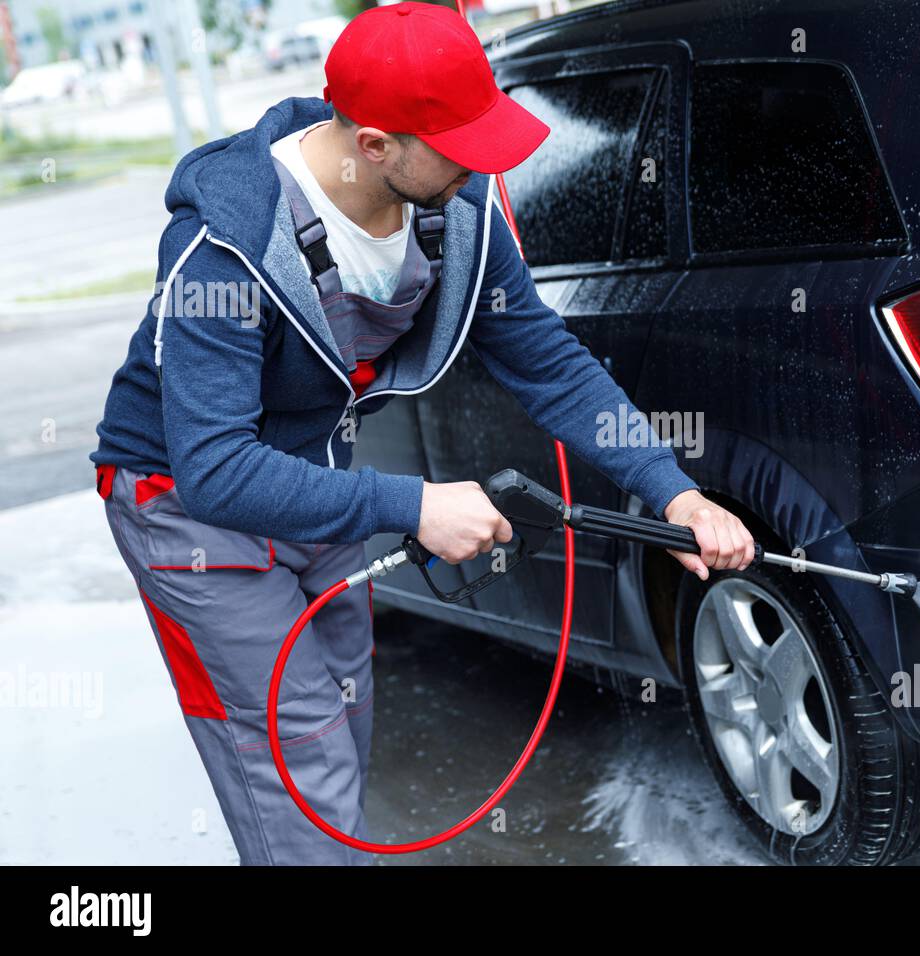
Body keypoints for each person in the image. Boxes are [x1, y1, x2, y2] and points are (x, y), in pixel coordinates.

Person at [90, 2, 753, 864]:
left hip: (314, 478)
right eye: (458, 145)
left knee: (345, 711)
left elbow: (546, 360)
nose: (483, 168)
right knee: (296, 757)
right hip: (185, 504)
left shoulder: (457, 209)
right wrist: (413, 504)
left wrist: (676, 492)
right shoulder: (224, 247)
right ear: (374, 144)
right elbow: (215, 467)